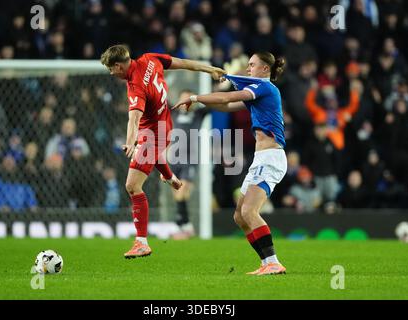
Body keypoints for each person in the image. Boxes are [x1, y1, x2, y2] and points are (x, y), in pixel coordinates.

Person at [100, 44, 225, 259]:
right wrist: (210, 69)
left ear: (119, 66)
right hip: (164, 126)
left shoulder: (135, 85)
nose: (111, 73)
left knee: (132, 185)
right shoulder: (150, 58)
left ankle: (141, 242)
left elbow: (134, 118)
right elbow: (184, 63)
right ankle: (170, 176)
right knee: (146, 165)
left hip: (152, 134)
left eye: (111, 69)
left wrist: (131, 142)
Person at [174, 52, 287, 276]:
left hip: (271, 158)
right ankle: (267, 262)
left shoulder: (264, 87)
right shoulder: (258, 94)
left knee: (249, 210)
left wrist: (195, 98)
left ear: (265, 69)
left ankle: (273, 262)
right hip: (261, 159)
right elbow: (227, 106)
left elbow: (226, 98)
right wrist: (203, 103)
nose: (248, 69)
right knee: (239, 216)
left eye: (252, 65)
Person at [169, 89, 208, 240]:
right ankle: (185, 226)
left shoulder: (198, 114)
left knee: (181, 192)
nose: (185, 102)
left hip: (190, 159)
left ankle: (183, 225)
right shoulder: (173, 112)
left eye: (188, 100)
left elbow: (214, 104)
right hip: (173, 159)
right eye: (183, 99)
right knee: (178, 196)